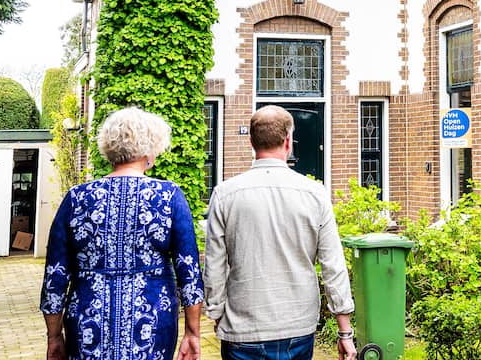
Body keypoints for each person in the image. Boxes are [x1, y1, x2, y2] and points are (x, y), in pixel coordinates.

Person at [41, 107, 204, 360]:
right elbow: (189, 271)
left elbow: (55, 275)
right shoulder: (168, 196)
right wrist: (192, 332)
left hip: (87, 324)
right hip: (152, 324)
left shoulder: (77, 198)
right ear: (150, 149)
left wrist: (54, 337)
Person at [204, 105, 357, 360]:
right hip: (296, 326)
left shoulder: (225, 194)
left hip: (242, 328)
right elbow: (333, 265)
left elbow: (214, 266)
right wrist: (345, 332)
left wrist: (217, 313)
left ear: (251, 142)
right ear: (288, 142)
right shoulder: (315, 194)